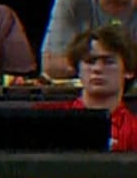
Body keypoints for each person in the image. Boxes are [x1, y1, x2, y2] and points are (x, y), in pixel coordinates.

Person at [37, 23, 137, 151]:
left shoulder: (134, 130)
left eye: (108, 62)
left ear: (128, 71)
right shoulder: (45, 120)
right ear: (77, 70)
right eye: (90, 61)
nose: (97, 69)